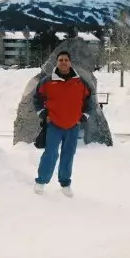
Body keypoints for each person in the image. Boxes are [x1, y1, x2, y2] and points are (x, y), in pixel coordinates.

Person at [33, 51, 93, 197]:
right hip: (54, 124)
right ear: (57, 62)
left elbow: (89, 100)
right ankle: (41, 181)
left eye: (66, 60)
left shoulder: (80, 82)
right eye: (61, 60)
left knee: (68, 154)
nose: (64, 62)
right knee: (50, 153)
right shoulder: (47, 81)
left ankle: (65, 183)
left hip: (73, 125)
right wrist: (43, 114)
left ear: (70, 62)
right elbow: (37, 98)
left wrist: (83, 117)